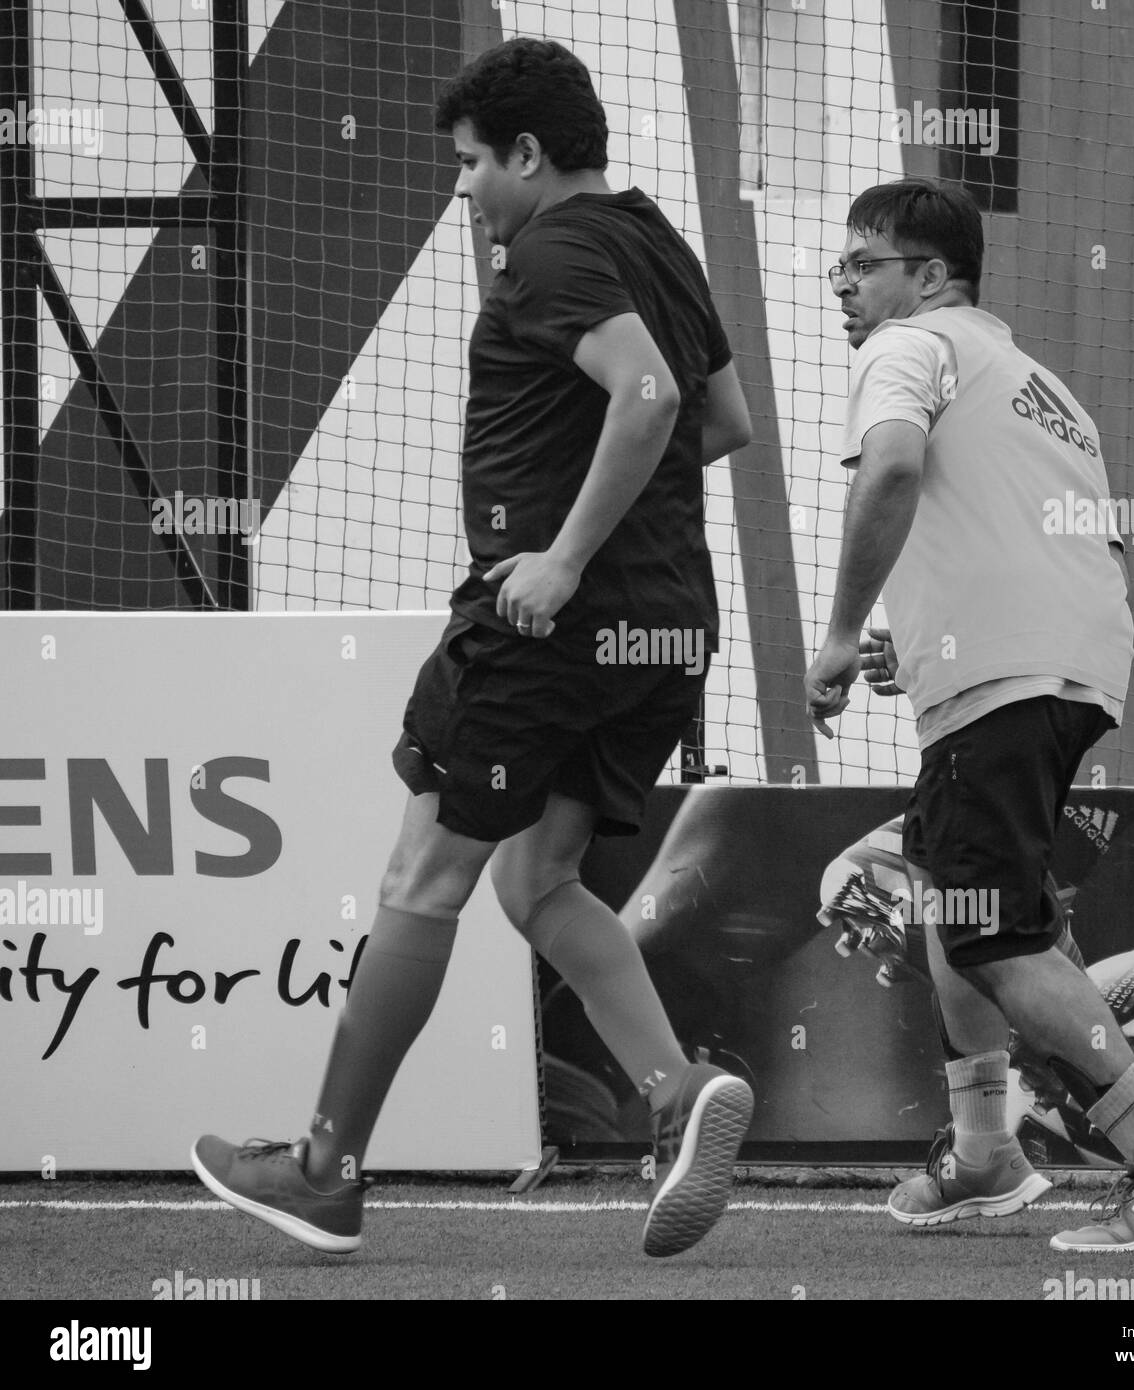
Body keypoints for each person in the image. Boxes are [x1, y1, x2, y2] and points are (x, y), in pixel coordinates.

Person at [192, 37, 754, 1260]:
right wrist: (614, 533)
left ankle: (325, 1172)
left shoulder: (548, 247)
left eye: (470, 165)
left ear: (530, 155)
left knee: (420, 882)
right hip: (665, 627)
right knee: (533, 884)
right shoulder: (655, 235)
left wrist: (560, 555)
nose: (464, 192)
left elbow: (653, 399)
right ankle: (678, 1092)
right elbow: (728, 420)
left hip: (542, 627)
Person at [805, 177, 1134, 1251]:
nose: (842, 283)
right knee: (948, 888)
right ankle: (984, 1154)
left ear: (928, 276)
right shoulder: (1035, 380)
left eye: (862, 263)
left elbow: (896, 470)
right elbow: (1020, 535)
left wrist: (834, 631)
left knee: (994, 931)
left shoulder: (905, 348)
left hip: (1008, 681)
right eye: (840, 264)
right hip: (1063, 670)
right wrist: (909, 643)